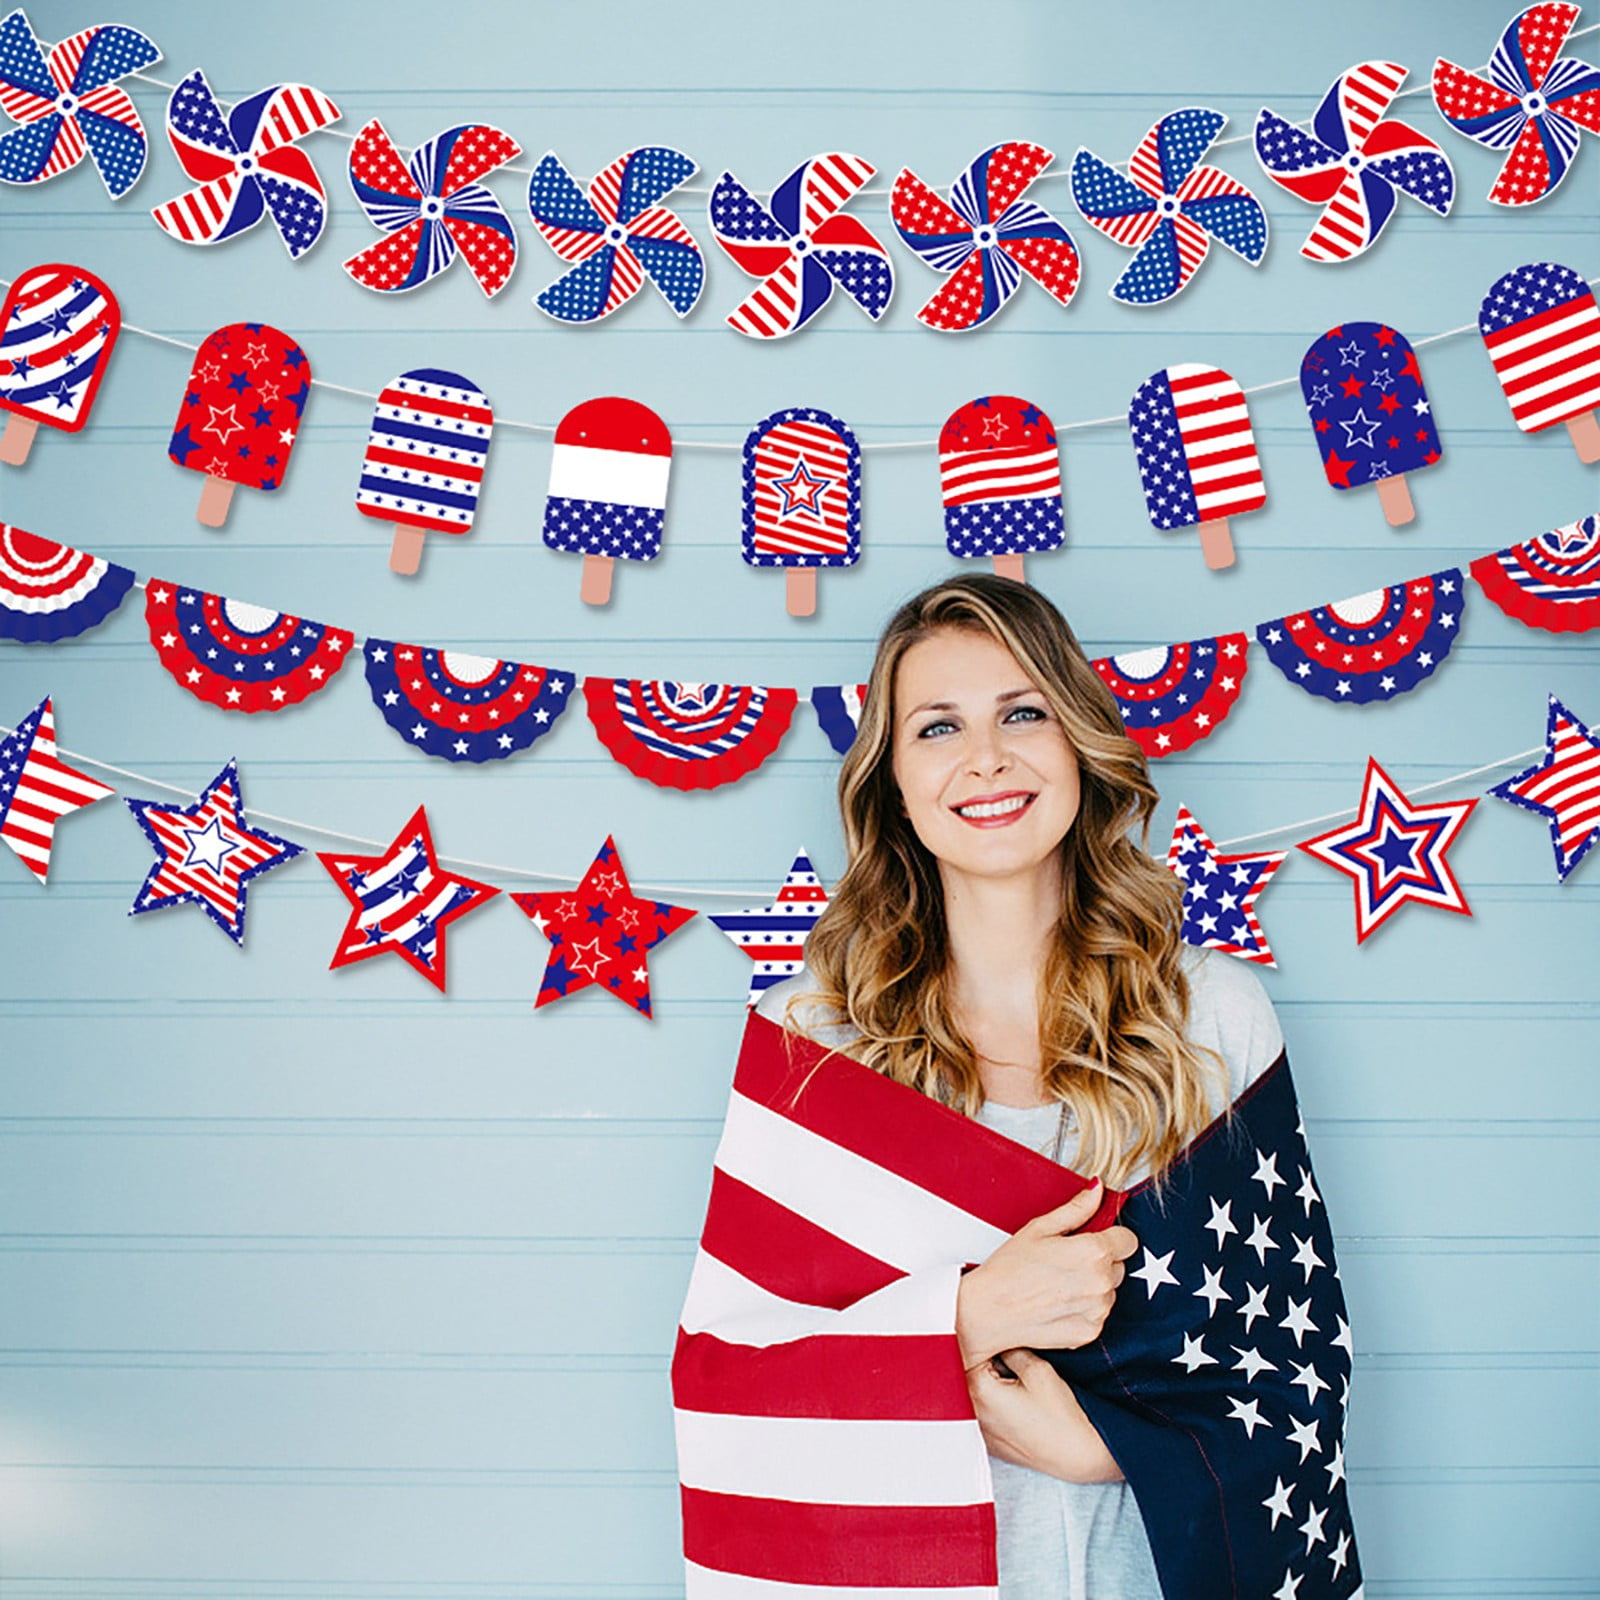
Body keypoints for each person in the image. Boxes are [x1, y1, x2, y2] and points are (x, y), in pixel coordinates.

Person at [751, 573, 1290, 1598]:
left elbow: (1287, 1369)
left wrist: (1107, 1450)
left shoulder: (1213, 1014)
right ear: (892, 781)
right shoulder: (811, 1035)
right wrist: (967, 1316)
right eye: (938, 726)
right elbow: (741, 1367)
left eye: (1022, 711)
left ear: (1078, 740)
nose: (985, 756)